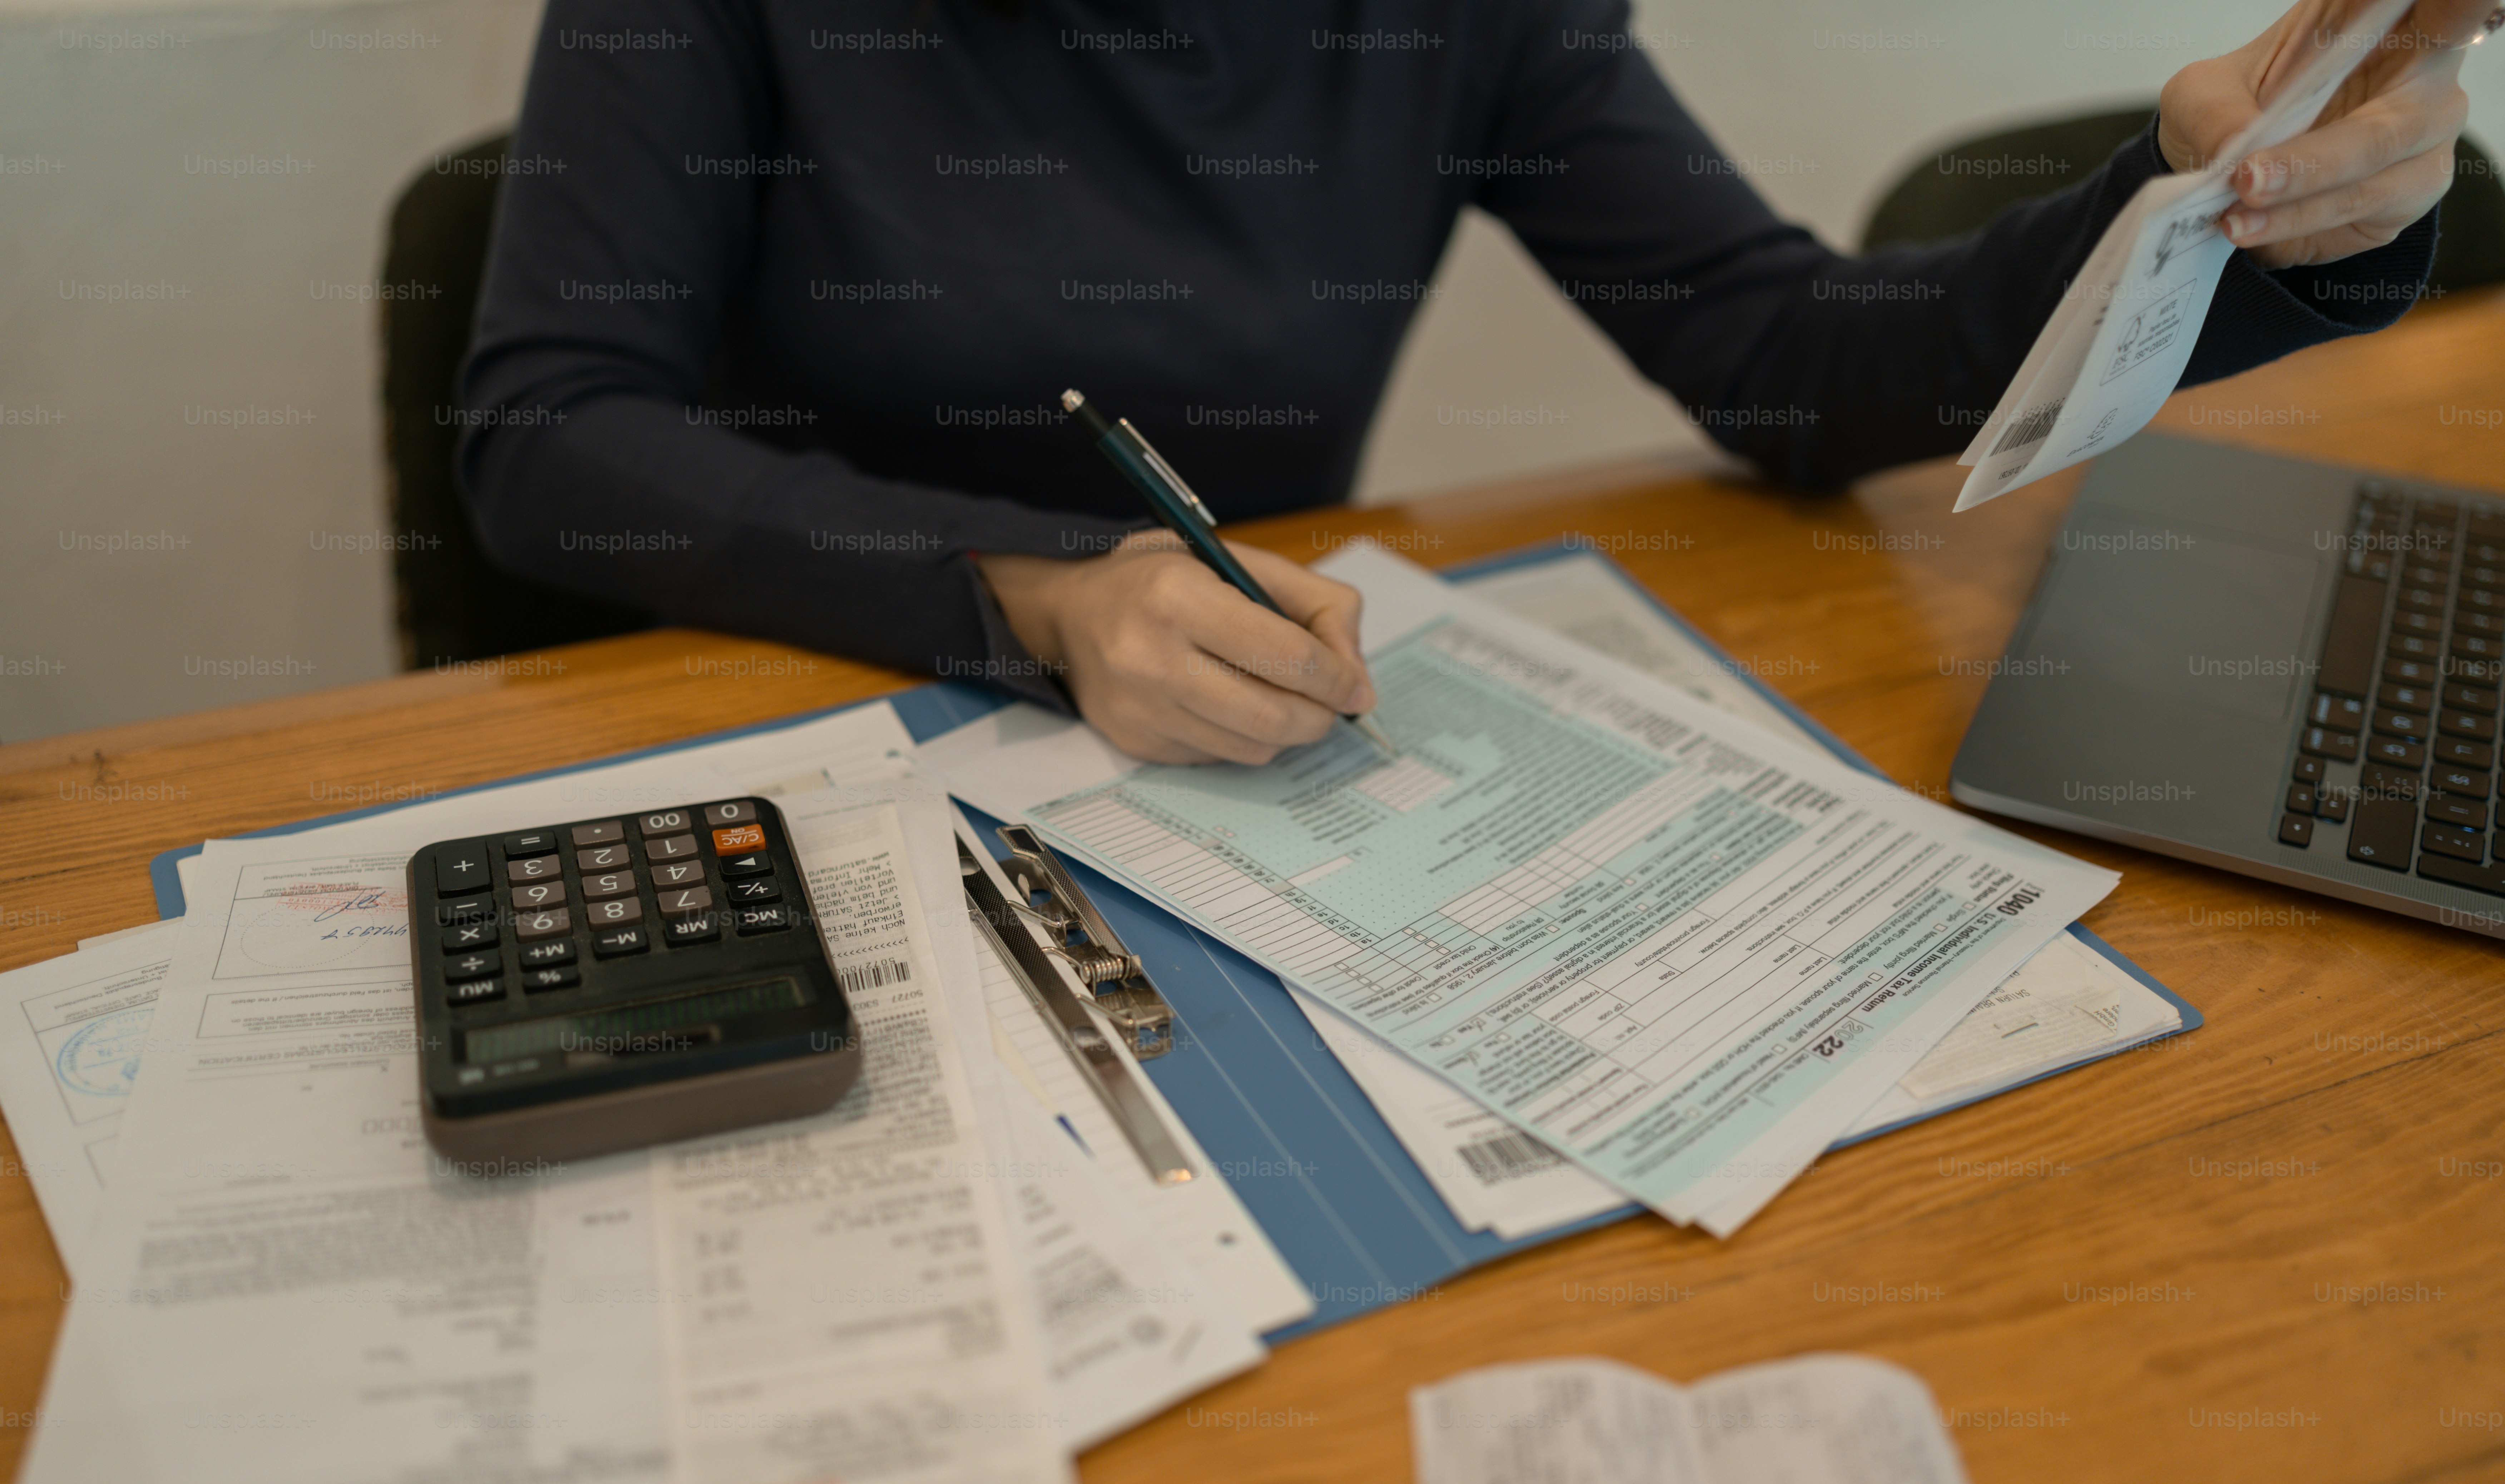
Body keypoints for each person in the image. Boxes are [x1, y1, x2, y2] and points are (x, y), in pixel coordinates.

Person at [458, 0, 2482, 764]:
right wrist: (1042, 590)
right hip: (796, 725)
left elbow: (1782, 359)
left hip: (1247, 761)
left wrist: (2204, 199)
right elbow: (551, 439)